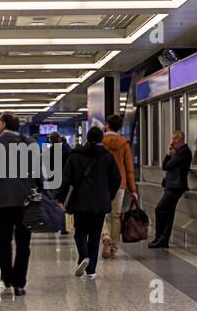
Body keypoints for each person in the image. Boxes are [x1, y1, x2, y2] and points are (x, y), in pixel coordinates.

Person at [0, 112, 39, 296]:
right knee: (24, 243)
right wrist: (48, 195)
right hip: (26, 203)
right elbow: (40, 174)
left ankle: (7, 277)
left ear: (2, 124)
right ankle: (20, 283)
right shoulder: (30, 144)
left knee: (4, 240)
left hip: (3, 203)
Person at [56, 125, 121, 280]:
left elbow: (66, 179)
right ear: (101, 139)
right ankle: (91, 270)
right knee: (95, 234)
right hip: (100, 202)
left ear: (87, 138)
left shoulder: (75, 155)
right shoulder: (107, 156)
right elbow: (117, 179)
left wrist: (60, 198)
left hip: (80, 200)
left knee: (80, 231)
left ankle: (83, 257)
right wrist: (109, 195)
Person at [100, 114, 137, 258]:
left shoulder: (101, 142)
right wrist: (133, 190)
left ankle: (105, 236)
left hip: (102, 183)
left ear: (107, 125)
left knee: (100, 213)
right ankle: (114, 247)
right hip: (120, 184)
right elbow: (129, 169)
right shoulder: (124, 143)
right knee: (116, 215)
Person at [150, 130, 192, 249]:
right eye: (172, 139)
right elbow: (165, 166)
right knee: (168, 213)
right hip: (171, 185)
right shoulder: (177, 152)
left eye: (175, 139)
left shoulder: (183, 152)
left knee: (160, 209)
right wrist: (169, 155)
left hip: (176, 187)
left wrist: (170, 155)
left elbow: (167, 166)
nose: (172, 141)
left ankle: (161, 237)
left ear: (181, 139)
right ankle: (161, 239)